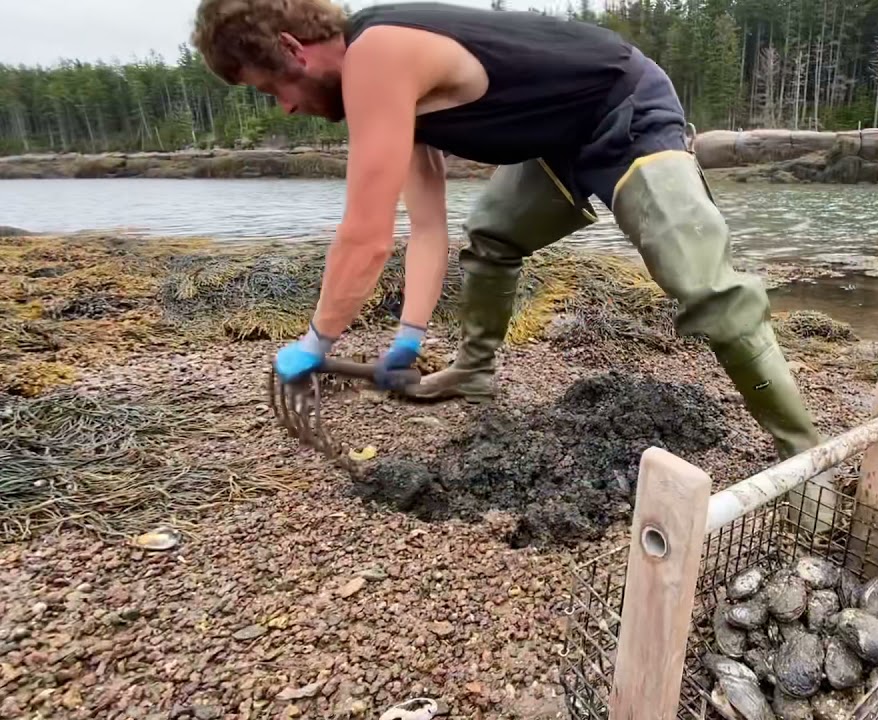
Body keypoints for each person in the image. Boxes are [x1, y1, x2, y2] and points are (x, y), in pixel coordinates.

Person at [191, 0, 837, 524]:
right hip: (561, 141)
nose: (284, 106)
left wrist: (315, 340)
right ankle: (474, 372)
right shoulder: (390, 89)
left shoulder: (378, 54)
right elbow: (424, 230)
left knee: (707, 291)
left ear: (294, 49)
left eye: (271, 86)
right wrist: (407, 340)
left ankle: (803, 459)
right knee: (492, 233)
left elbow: (364, 237)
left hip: (627, 109)